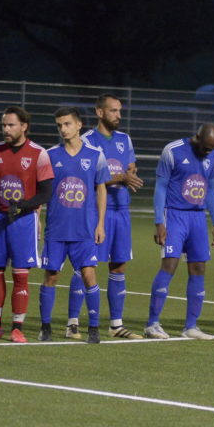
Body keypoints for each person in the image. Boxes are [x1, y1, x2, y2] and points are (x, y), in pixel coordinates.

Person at [0, 106, 54, 343]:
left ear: (24, 126)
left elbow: (47, 192)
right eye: (3, 125)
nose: (6, 129)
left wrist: (24, 205)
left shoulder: (39, 154)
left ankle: (17, 327)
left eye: (11, 125)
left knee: (20, 275)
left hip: (23, 222)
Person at [66, 94, 144, 339]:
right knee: (86, 265)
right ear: (99, 112)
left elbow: (130, 165)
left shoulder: (125, 139)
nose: (118, 116)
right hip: (96, 212)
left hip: (122, 210)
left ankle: (116, 325)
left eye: (119, 111)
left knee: (119, 265)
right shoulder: (87, 141)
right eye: (113, 111)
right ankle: (73, 322)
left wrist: (130, 172)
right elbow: (85, 177)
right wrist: (119, 177)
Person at [144, 123, 214, 340]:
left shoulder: (213, 154)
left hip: (197, 217)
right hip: (175, 214)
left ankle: (191, 326)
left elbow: (211, 188)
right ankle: (152, 324)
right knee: (170, 264)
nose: (208, 152)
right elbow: (160, 187)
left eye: (212, 149)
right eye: (206, 147)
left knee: (198, 268)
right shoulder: (173, 150)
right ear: (197, 137)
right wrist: (159, 221)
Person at [38, 107, 109, 344]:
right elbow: (42, 191)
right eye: (59, 125)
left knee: (89, 275)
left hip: (84, 230)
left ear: (79, 125)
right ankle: (45, 327)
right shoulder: (49, 156)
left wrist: (100, 224)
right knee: (51, 276)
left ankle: (94, 329)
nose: (63, 129)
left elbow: (101, 189)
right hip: (56, 230)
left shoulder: (95, 155)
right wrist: (37, 219)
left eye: (67, 124)